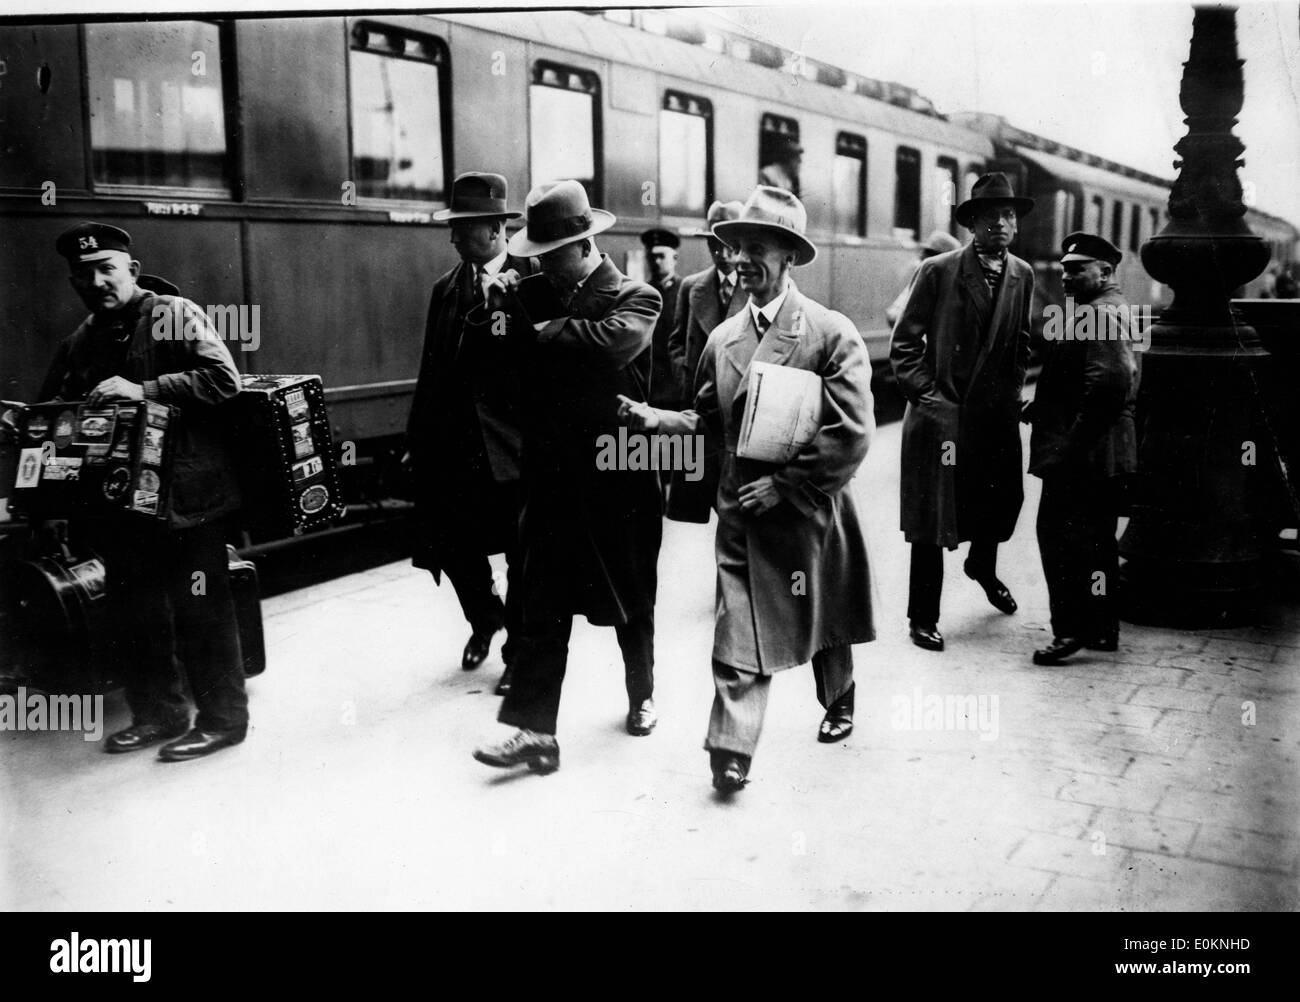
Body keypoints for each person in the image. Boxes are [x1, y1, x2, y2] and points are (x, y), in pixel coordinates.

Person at [619, 186, 875, 793]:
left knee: (821, 618)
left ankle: (839, 697)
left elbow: (853, 432)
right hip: (740, 513)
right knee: (738, 628)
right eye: (737, 248)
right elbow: (709, 426)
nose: (742, 261)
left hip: (807, 509)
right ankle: (731, 751)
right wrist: (657, 420)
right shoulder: (722, 340)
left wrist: (786, 486)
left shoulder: (829, 333)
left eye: (758, 248)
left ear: (789, 257)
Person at [472, 180, 664, 774]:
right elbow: (485, 357)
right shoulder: (527, 293)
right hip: (553, 478)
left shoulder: (638, 296)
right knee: (538, 605)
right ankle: (536, 733)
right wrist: (495, 308)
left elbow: (613, 344)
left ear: (582, 247)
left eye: (549, 256)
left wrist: (542, 327)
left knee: (631, 599)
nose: (540, 267)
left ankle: (642, 694)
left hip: (621, 473)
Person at [39, 221, 247, 761]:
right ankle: (158, 715)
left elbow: (225, 380)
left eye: (106, 269)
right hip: (122, 506)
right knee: (135, 613)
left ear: (130, 270)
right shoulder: (81, 341)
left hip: (188, 500)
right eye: (83, 275)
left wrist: (143, 389)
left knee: (202, 609)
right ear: (73, 283)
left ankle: (224, 720)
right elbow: (58, 412)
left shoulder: (173, 315)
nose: (97, 282)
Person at [890, 172, 1036, 652]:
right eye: (991, 215)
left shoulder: (1023, 274)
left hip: (993, 417)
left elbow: (1020, 343)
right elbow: (905, 345)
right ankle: (922, 617)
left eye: (1009, 214)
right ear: (972, 222)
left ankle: (983, 568)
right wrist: (933, 402)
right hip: (943, 416)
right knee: (932, 522)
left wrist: (1013, 392)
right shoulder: (940, 270)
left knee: (997, 505)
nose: (1001, 223)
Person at [405, 172, 534, 693]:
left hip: (515, 447)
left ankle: (519, 650)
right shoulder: (446, 288)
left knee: (523, 552)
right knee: (453, 543)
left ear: (494, 230)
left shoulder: (534, 281)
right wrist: (417, 444)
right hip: (456, 448)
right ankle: (484, 618)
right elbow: (431, 369)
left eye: (462, 228)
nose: (453, 238)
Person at [1026, 232, 1137, 665]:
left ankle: (1069, 630)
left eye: (1078, 269)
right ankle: (1103, 626)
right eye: (1066, 268)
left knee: (1060, 538)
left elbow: (1109, 384)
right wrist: (1043, 407)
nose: (1066, 276)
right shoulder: (1100, 309)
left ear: (1106, 271)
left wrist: (1067, 449)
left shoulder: (1102, 313)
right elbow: (1087, 378)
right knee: (1096, 542)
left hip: (1084, 453)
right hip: (1099, 449)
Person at [664, 201, 745, 517]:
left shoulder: (755, 289)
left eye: (729, 246)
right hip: (699, 407)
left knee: (736, 506)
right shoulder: (691, 287)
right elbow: (675, 341)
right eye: (714, 245)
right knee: (703, 493)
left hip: (736, 414)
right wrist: (687, 376)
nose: (722, 254)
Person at [885, 229, 964, 328]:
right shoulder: (924, 282)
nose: (921, 257)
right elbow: (894, 314)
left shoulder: (952, 289)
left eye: (928, 254)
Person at [640, 227, 682, 411]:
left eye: (661, 256)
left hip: (677, 386)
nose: (656, 261)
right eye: (652, 257)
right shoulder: (640, 293)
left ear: (675, 258)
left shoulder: (687, 291)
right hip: (650, 385)